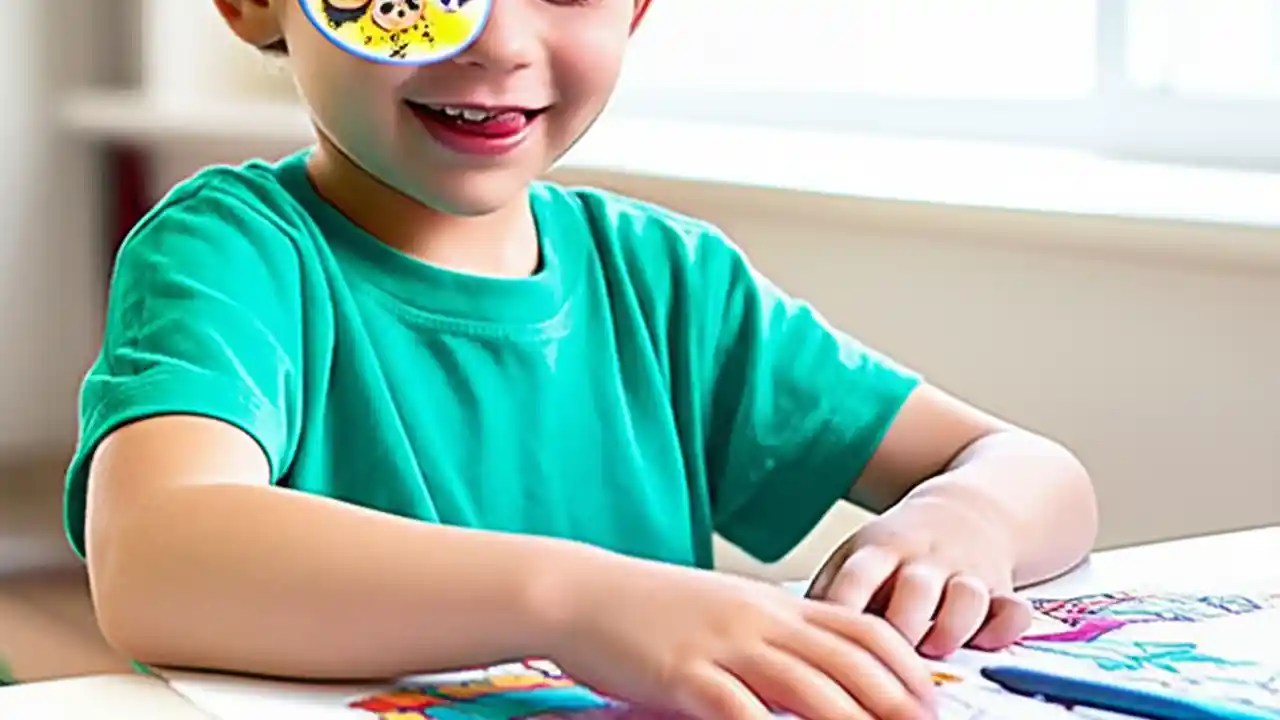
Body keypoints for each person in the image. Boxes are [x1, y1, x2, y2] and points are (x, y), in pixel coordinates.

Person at [63, 0, 1099, 718]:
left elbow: (1031, 469)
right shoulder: (231, 251)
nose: (499, 44)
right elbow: (156, 554)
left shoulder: (667, 281)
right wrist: (575, 605)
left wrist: (958, 521)